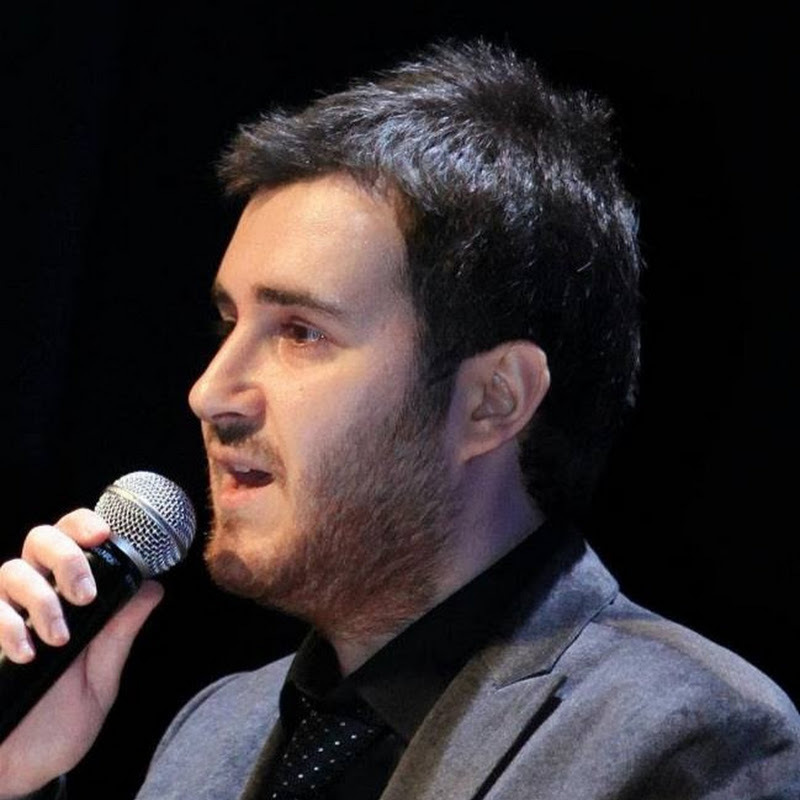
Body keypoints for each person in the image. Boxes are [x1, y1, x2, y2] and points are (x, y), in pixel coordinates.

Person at [0, 40, 797, 800]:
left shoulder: (685, 736)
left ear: (493, 400)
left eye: (300, 332)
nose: (210, 391)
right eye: (229, 323)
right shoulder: (210, 735)